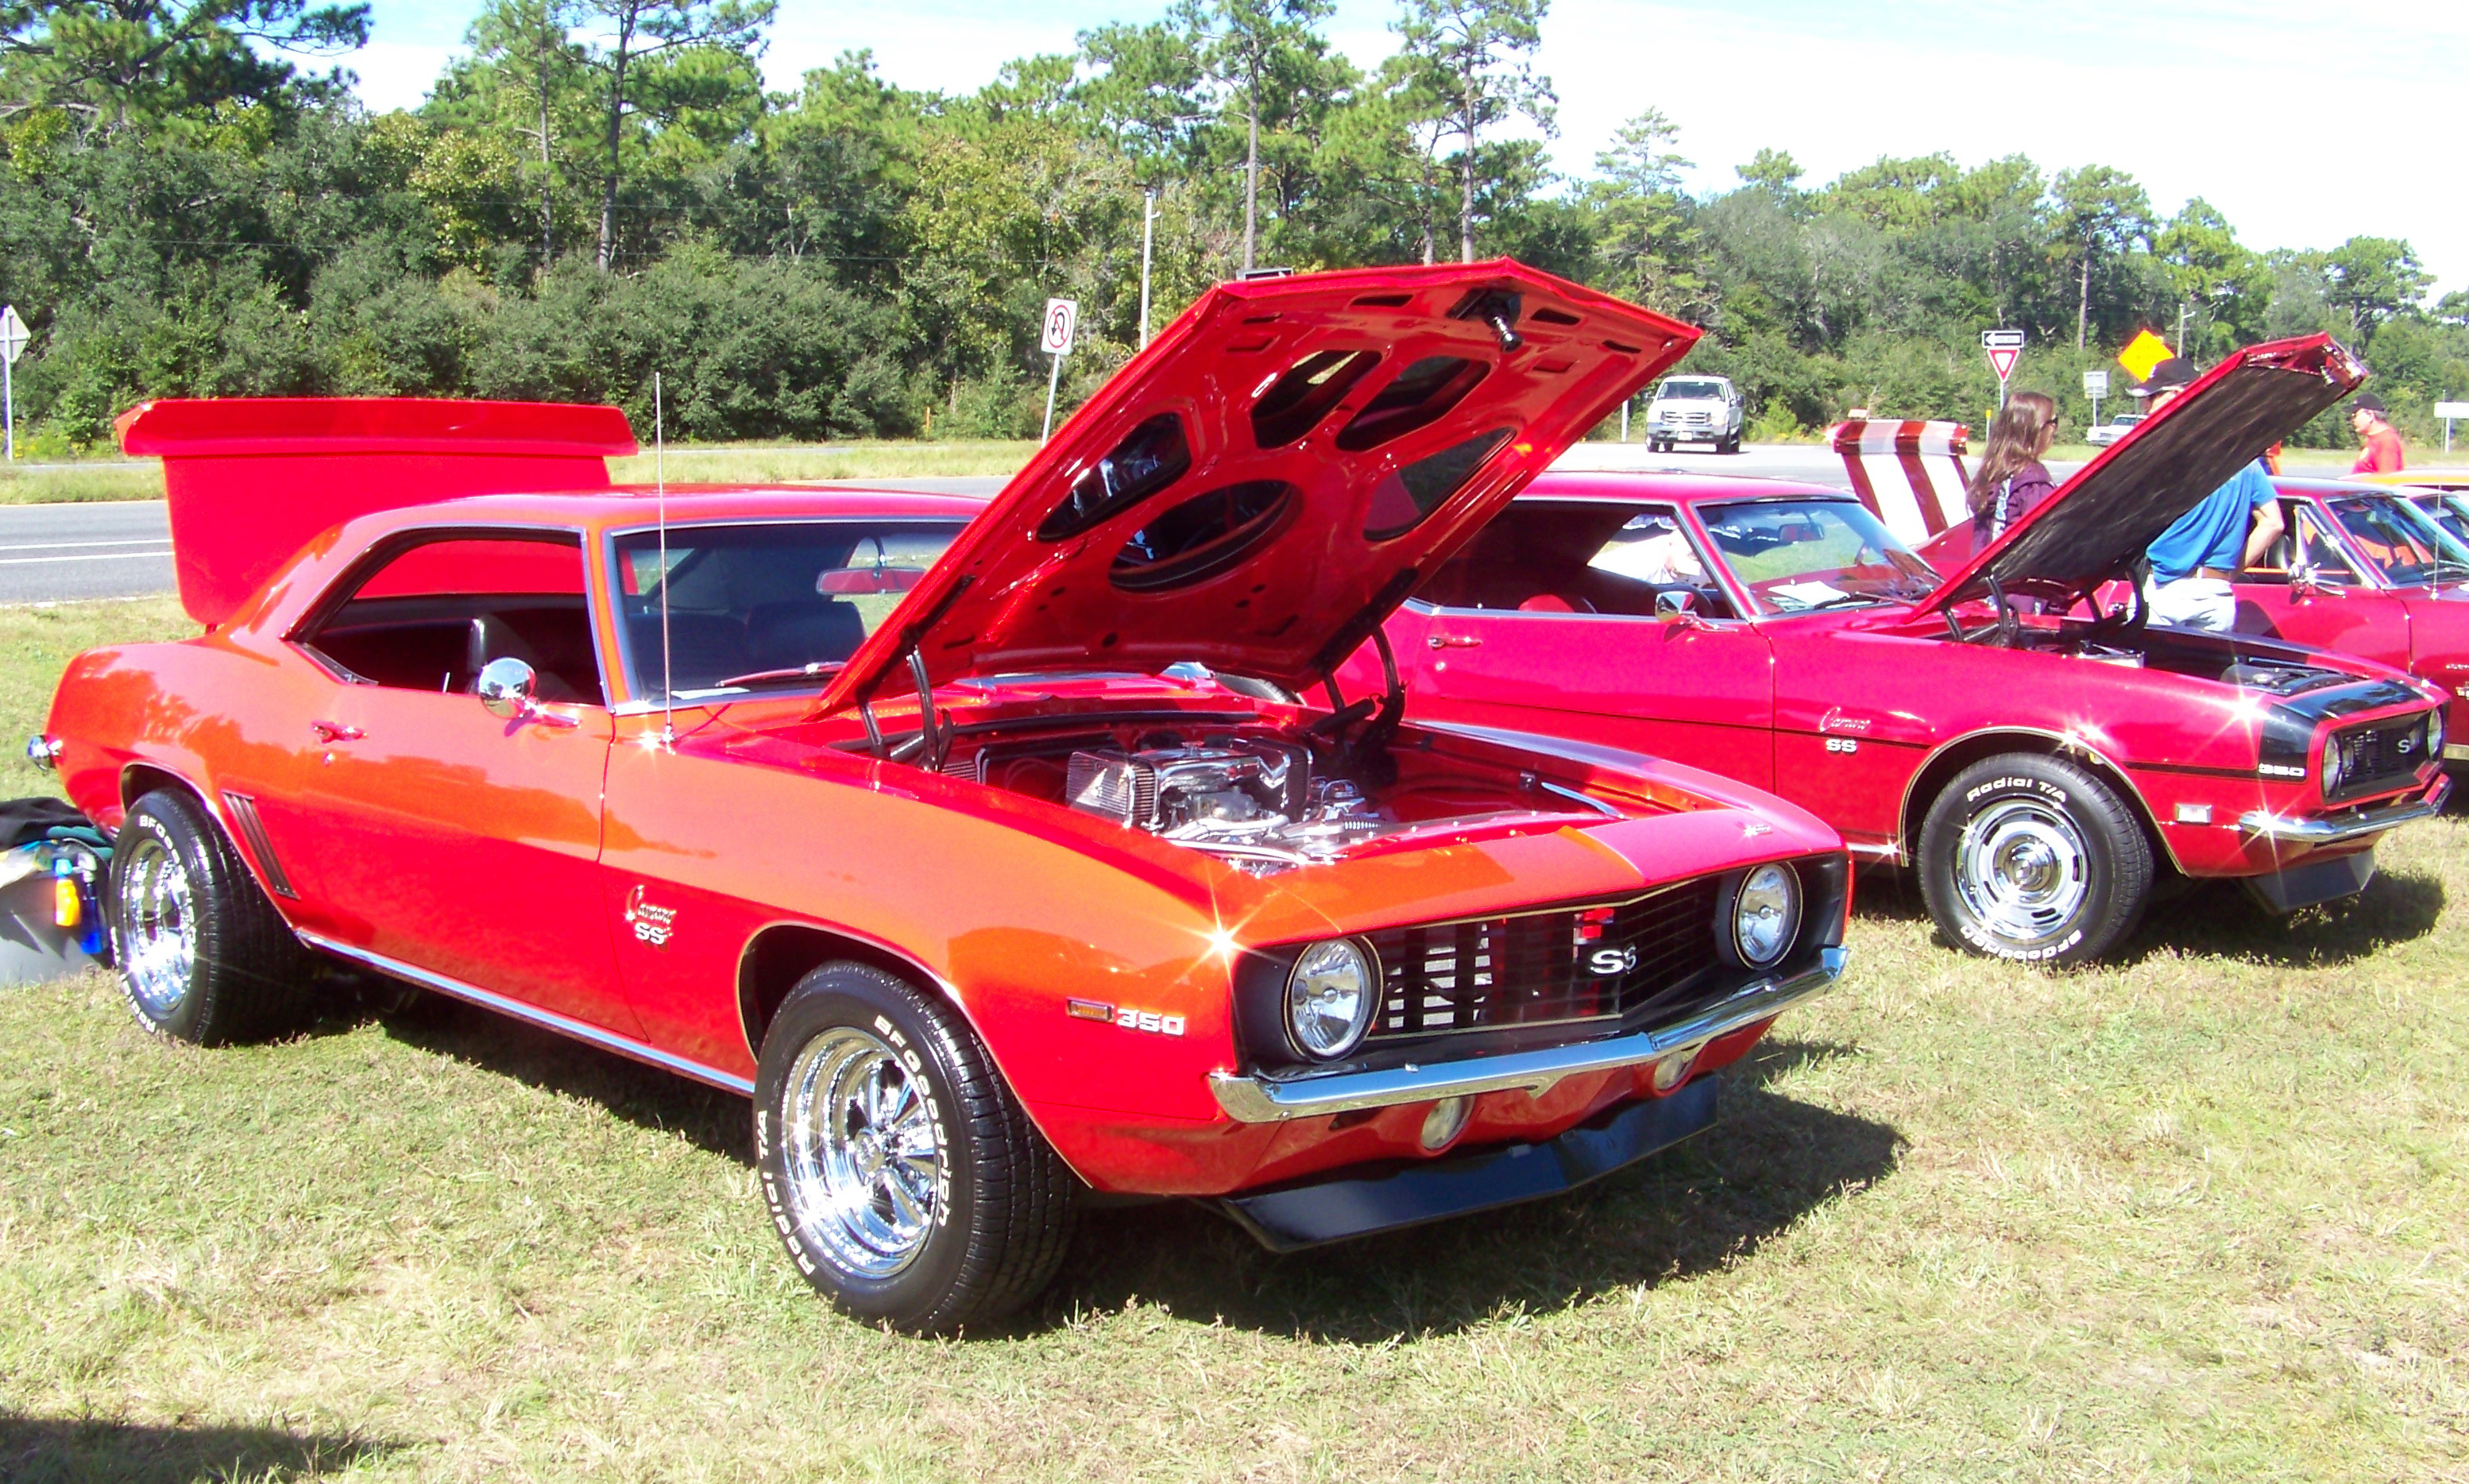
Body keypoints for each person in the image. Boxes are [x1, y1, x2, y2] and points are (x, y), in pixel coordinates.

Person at [2139, 357, 2283, 631]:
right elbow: (2273, 523)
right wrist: (2229, 572)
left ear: (2176, 395)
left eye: (2153, 397)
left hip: (2166, 592)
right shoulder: (2243, 457)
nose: (2147, 406)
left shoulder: (2162, 454)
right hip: (2218, 596)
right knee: (2207, 675)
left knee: (2152, 673)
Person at [1964, 391, 2059, 555]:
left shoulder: (1993, 470)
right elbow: (2048, 539)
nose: (2055, 429)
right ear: (2036, 429)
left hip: (1987, 573)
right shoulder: (2033, 480)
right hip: (2017, 574)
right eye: (2053, 421)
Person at [2351, 392, 2405, 473]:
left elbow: (2387, 480)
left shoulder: (2386, 441)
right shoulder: (2374, 439)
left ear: (2370, 415)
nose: (2353, 419)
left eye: (2355, 415)